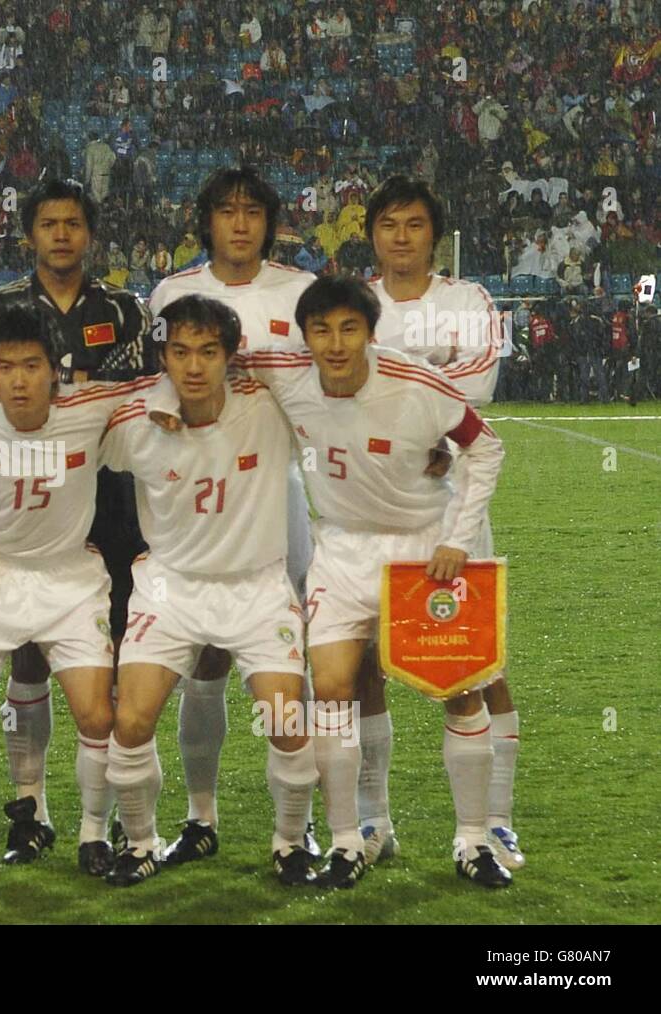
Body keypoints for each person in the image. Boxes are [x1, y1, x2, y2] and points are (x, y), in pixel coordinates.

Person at [149, 275, 509, 888]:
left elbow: (487, 447)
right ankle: (347, 842)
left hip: (424, 553)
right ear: (305, 335)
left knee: (459, 690)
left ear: (370, 332)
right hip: (340, 549)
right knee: (334, 691)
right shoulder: (288, 373)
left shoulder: (418, 384)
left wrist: (456, 536)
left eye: (349, 329)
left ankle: (474, 840)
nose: (335, 343)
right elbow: (203, 352)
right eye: (321, 329)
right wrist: (162, 394)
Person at [0, 306, 159, 880]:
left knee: (98, 717)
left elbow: (158, 395)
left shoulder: (91, 409)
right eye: (5, 367)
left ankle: (94, 834)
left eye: (31, 366)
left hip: (69, 580)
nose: (19, 380)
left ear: (55, 369)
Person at [0, 178, 156, 869]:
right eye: (49, 223)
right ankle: (31, 804)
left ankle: (113, 819)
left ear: (90, 233)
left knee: (110, 660)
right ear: (30, 234)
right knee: (25, 648)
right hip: (27, 498)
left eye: (73, 223)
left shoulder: (126, 310)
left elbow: (148, 398)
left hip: (112, 496)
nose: (62, 234)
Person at [101, 294, 313, 887]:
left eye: (209, 352)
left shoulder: (271, 410)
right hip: (170, 589)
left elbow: (339, 396)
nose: (194, 367)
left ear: (230, 356)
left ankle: (291, 842)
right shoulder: (134, 419)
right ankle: (140, 843)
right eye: (180, 352)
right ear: (162, 357)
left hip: (256, 588)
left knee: (286, 721)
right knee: (131, 721)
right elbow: (61, 426)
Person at [147, 167, 318, 866]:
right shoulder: (171, 293)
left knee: (288, 651)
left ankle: (297, 828)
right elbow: (156, 395)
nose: (240, 223)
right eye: (227, 210)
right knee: (203, 659)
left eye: (253, 211)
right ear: (207, 220)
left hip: (279, 484)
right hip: (200, 491)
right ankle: (200, 814)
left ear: (269, 222)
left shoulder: (299, 291)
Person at [364, 176, 523, 871]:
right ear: (372, 233)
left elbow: (482, 376)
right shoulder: (353, 306)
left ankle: (496, 821)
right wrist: (427, 396)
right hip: (368, 509)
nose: (402, 237)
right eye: (390, 225)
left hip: (456, 509)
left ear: (437, 234)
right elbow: (339, 386)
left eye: (415, 225)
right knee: (365, 664)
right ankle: (372, 822)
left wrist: (403, 394)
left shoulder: (469, 301)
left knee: (480, 663)